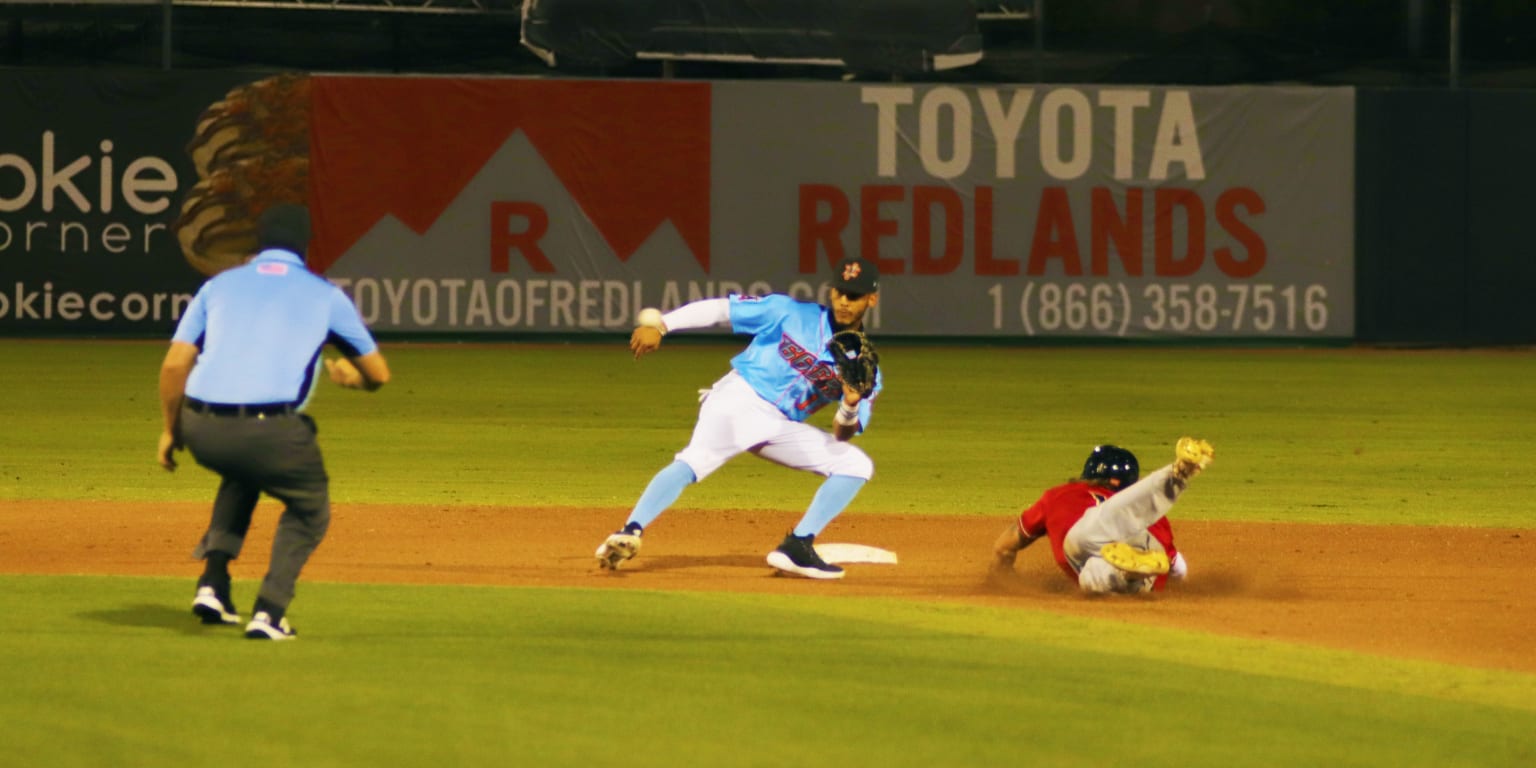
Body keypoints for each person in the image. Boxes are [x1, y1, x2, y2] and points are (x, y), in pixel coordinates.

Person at [156, 203, 391, 640]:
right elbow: (378, 374)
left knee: (243, 469)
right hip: (268, 427)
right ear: (305, 246)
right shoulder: (325, 295)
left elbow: (174, 367)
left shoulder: (218, 286)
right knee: (309, 508)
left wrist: (172, 430)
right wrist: (351, 378)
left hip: (202, 424)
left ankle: (213, 583)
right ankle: (271, 610)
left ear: (258, 243)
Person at [595, 256, 885, 580]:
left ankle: (797, 547)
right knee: (695, 461)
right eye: (840, 292)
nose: (844, 301)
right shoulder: (789, 312)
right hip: (740, 398)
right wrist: (663, 325)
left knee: (855, 465)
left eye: (854, 295)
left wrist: (849, 404)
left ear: (871, 299)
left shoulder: (866, 370)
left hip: (780, 424)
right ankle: (630, 531)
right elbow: (722, 309)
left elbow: (844, 433)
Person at [991, 438, 1214, 595]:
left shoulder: (1060, 495)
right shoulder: (1154, 518)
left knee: (1091, 576)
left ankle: (1121, 572)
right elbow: (1177, 569)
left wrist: (1002, 580)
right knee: (1125, 512)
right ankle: (1175, 474)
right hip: (1142, 540)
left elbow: (1004, 547)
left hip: (1083, 534)